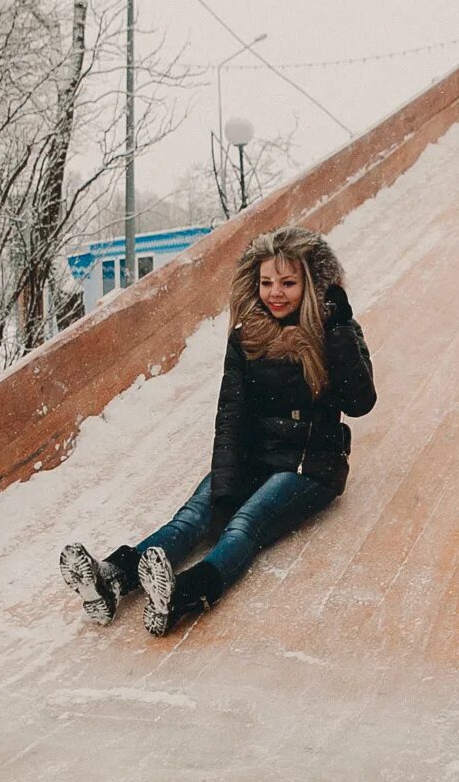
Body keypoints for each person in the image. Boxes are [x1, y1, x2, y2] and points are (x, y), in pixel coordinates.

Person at [60, 226, 377, 636]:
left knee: (245, 524)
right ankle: (112, 579)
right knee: (189, 520)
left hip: (310, 463)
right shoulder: (247, 337)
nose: (275, 292)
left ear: (312, 284)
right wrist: (225, 484)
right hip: (255, 456)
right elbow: (232, 414)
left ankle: (181, 596)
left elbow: (360, 401)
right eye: (266, 282)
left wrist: (337, 327)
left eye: (288, 282)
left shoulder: (336, 330)